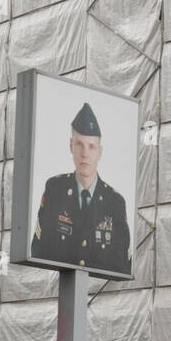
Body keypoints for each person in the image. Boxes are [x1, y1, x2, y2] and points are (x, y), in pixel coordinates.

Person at [30, 101, 132, 275]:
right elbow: (38, 250)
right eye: (79, 144)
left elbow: (123, 265)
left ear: (100, 152)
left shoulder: (115, 202)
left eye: (91, 146)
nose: (85, 153)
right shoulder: (55, 190)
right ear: (71, 146)